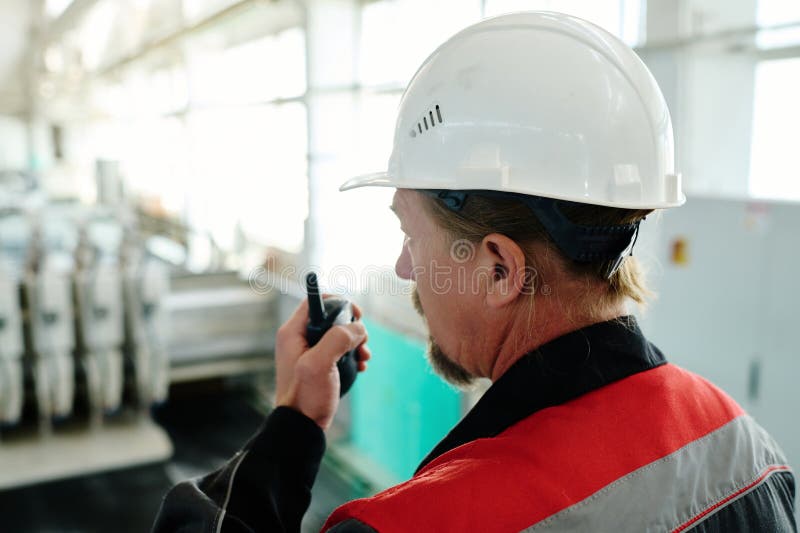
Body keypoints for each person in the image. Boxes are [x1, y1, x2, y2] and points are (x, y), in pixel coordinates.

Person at [152, 12, 796, 532]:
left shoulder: (416, 523)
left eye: (410, 235)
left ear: (498, 270)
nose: (404, 266)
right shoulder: (747, 449)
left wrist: (292, 424)